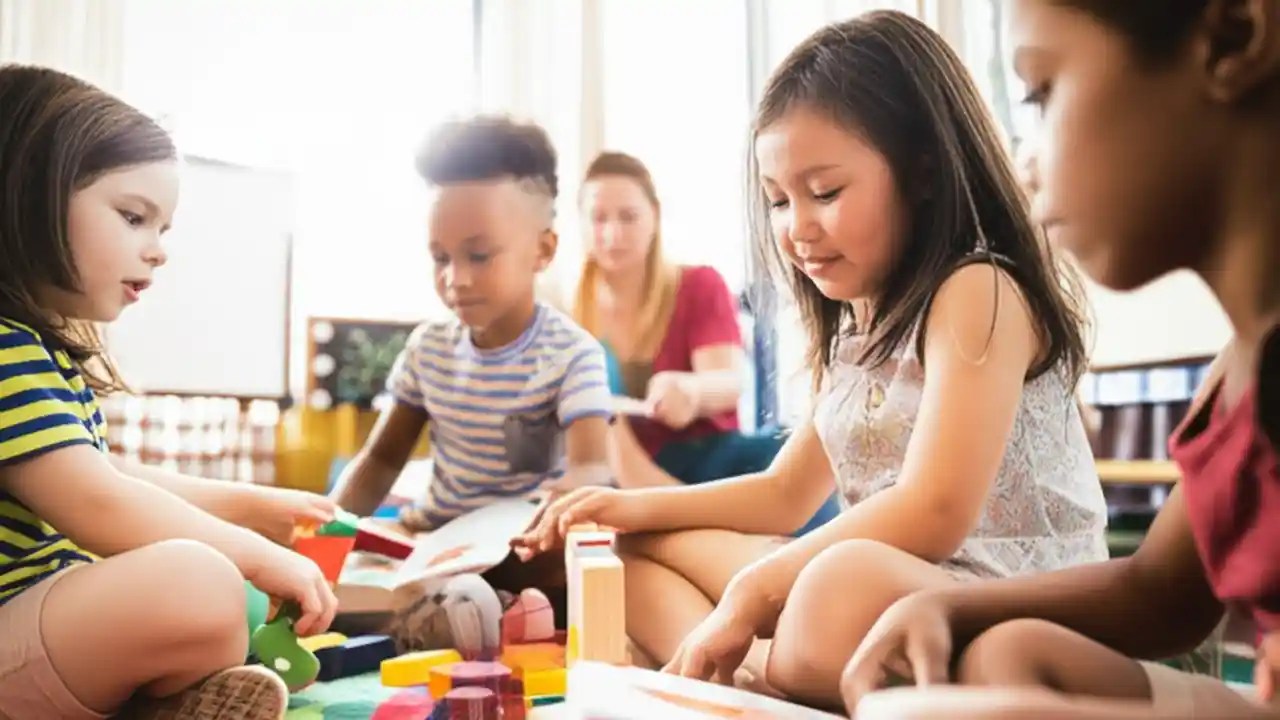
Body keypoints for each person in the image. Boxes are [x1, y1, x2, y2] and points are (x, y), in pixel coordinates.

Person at [515, 11, 1107, 708]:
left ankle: (757, 670)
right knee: (633, 551)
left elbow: (936, 510)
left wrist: (760, 587)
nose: (797, 228)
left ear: (922, 172)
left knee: (836, 582)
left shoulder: (977, 289)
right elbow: (784, 493)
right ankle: (728, 677)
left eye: (825, 193)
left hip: (996, 600)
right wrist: (630, 506)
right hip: (889, 588)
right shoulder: (860, 326)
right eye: (777, 201)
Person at [841, 1, 1280, 718]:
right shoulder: (1238, 370)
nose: (1026, 158)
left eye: (1042, 94)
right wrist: (951, 610)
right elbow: (1159, 595)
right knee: (1009, 653)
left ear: (1233, 37)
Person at [0, 64, 339, 720]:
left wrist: (249, 507)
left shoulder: (38, 350)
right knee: (201, 580)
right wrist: (256, 553)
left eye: (163, 229)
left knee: (228, 590)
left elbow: (98, 473)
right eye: (134, 218)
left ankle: (165, 701)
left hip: (35, 621)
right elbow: (97, 500)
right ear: (29, 197)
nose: (157, 251)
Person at [330, 117, 614, 616]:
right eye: (440, 257)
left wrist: (553, 515)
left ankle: (475, 610)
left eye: (479, 256)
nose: (455, 279)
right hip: (433, 538)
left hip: (523, 546)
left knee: (577, 565)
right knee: (347, 576)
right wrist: (330, 531)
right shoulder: (429, 348)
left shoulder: (572, 354)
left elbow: (592, 468)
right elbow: (380, 460)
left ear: (543, 250)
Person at [573, 151, 840, 533]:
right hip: (632, 479)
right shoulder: (571, 316)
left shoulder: (699, 285)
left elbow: (730, 382)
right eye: (599, 218)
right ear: (581, 224)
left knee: (794, 470)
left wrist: (692, 391)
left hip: (720, 471)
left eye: (628, 217)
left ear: (655, 217)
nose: (613, 234)